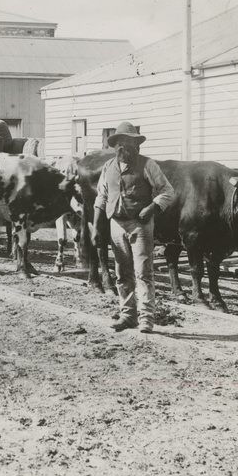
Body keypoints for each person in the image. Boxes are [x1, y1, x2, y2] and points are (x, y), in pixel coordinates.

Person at [93, 122, 175, 334]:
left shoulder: (148, 165)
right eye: (120, 144)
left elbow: (167, 191)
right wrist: (96, 227)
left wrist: (152, 207)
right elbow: (101, 197)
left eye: (129, 143)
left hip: (140, 226)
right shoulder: (108, 167)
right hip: (116, 224)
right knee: (122, 273)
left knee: (143, 272)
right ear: (114, 147)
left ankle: (146, 318)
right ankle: (128, 316)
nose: (124, 148)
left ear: (137, 146)